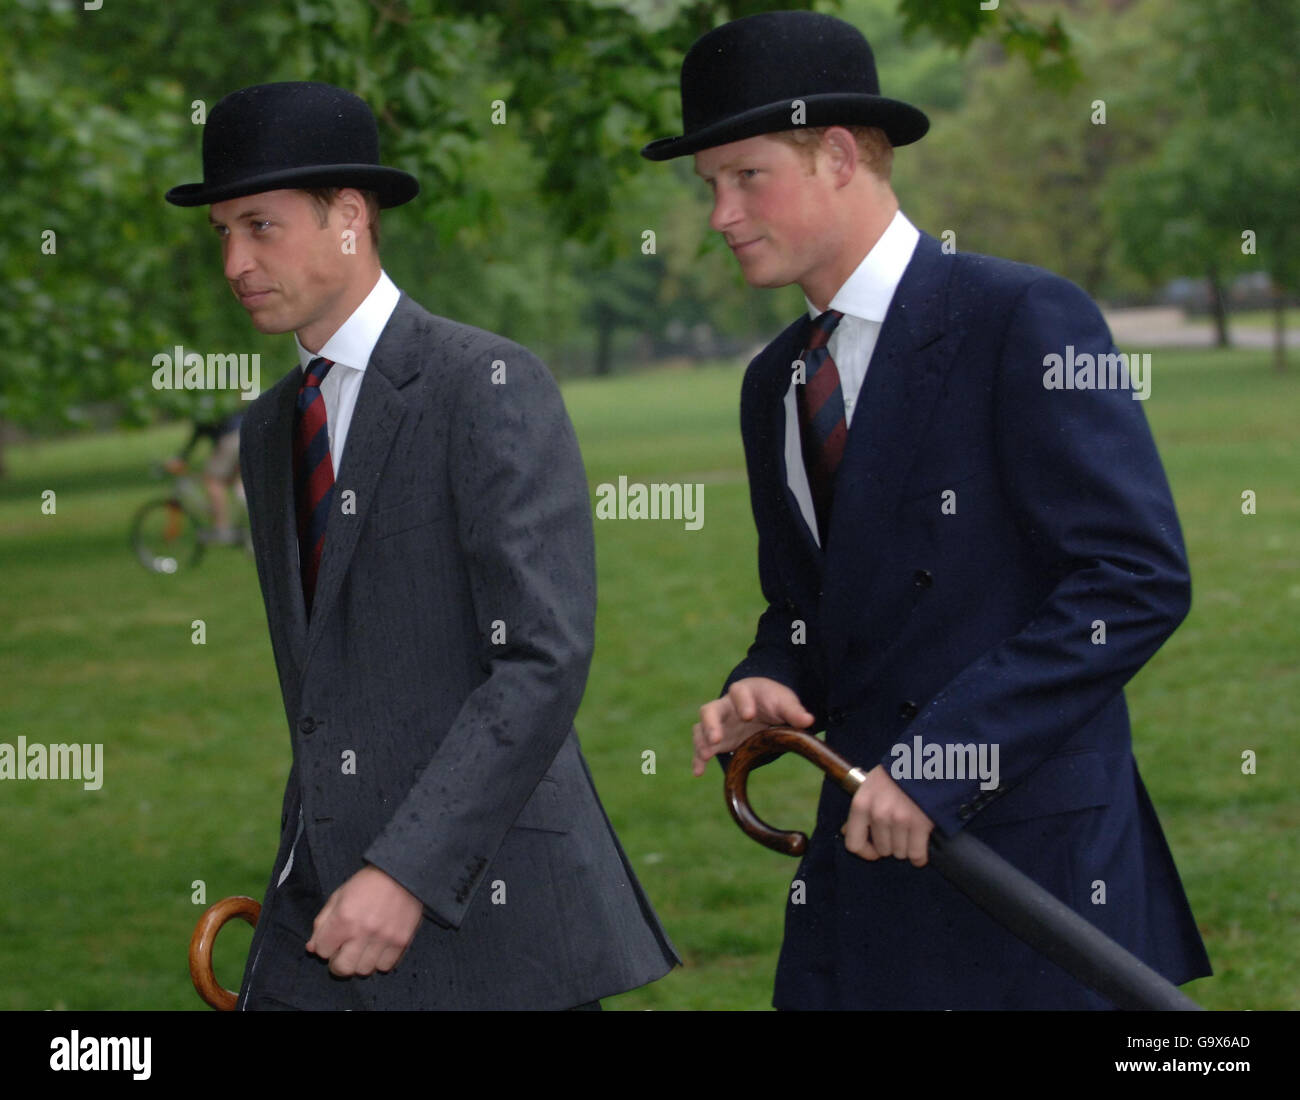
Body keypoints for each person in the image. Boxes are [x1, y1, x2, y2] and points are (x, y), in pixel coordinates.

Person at [643, 11, 1211, 1009]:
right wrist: (766, 678)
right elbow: (805, 606)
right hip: (858, 868)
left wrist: (941, 761)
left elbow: (1131, 581)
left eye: (744, 177)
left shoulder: (1019, 318)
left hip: (1025, 872)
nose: (719, 214)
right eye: (708, 188)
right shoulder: (773, 379)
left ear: (834, 156)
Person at [166, 81, 678, 1009]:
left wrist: (404, 871)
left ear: (351, 217)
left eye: (260, 226)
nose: (235, 260)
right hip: (318, 903)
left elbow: (540, 658)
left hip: (494, 923)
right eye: (221, 235)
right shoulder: (272, 424)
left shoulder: (485, 382)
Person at [164, 410, 244, 543]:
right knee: (231, 480)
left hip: (230, 439)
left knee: (213, 481)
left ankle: (222, 529)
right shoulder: (218, 403)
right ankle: (244, 522)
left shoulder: (202, 409)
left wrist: (180, 458)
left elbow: (195, 438)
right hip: (243, 433)